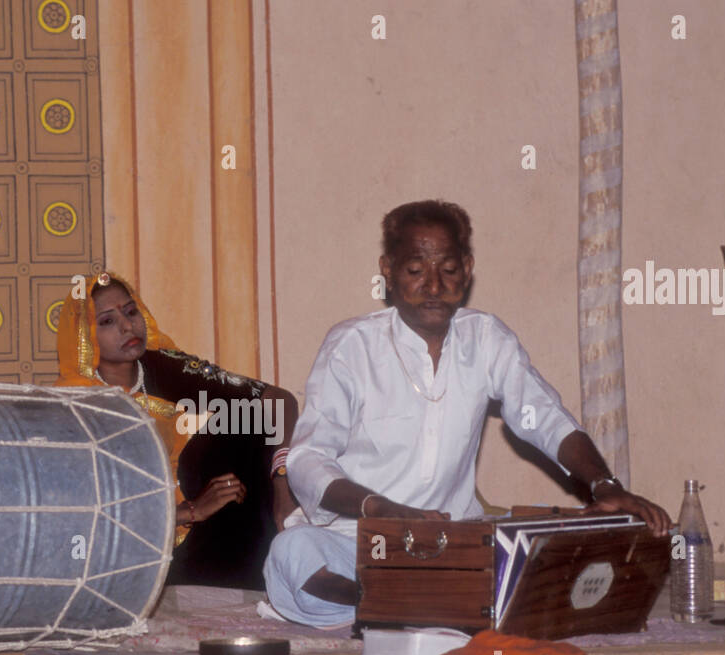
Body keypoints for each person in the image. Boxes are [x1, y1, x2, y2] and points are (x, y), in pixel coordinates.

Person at [264, 200, 671, 628]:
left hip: (455, 544)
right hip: (361, 542)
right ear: (388, 270)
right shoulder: (352, 347)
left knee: (551, 529)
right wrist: (381, 508)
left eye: (449, 270)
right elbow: (308, 459)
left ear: (468, 269)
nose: (434, 286)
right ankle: (404, 598)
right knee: (291, 554)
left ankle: (413, 600)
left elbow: (545, 416)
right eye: (416, 270)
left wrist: (604, 484)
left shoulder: (486, 338)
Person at [56, 272, 298, 589]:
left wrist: (282, 480)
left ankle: (261, 578)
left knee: (248, 417)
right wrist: (188, 512)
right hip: (127, 543)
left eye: (130, 311)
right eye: (107, 321)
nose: (127, 326)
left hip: (192, 526)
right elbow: (86, 512)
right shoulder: (76, 406)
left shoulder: (162, 366)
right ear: (84, 336)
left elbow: (278, 400)